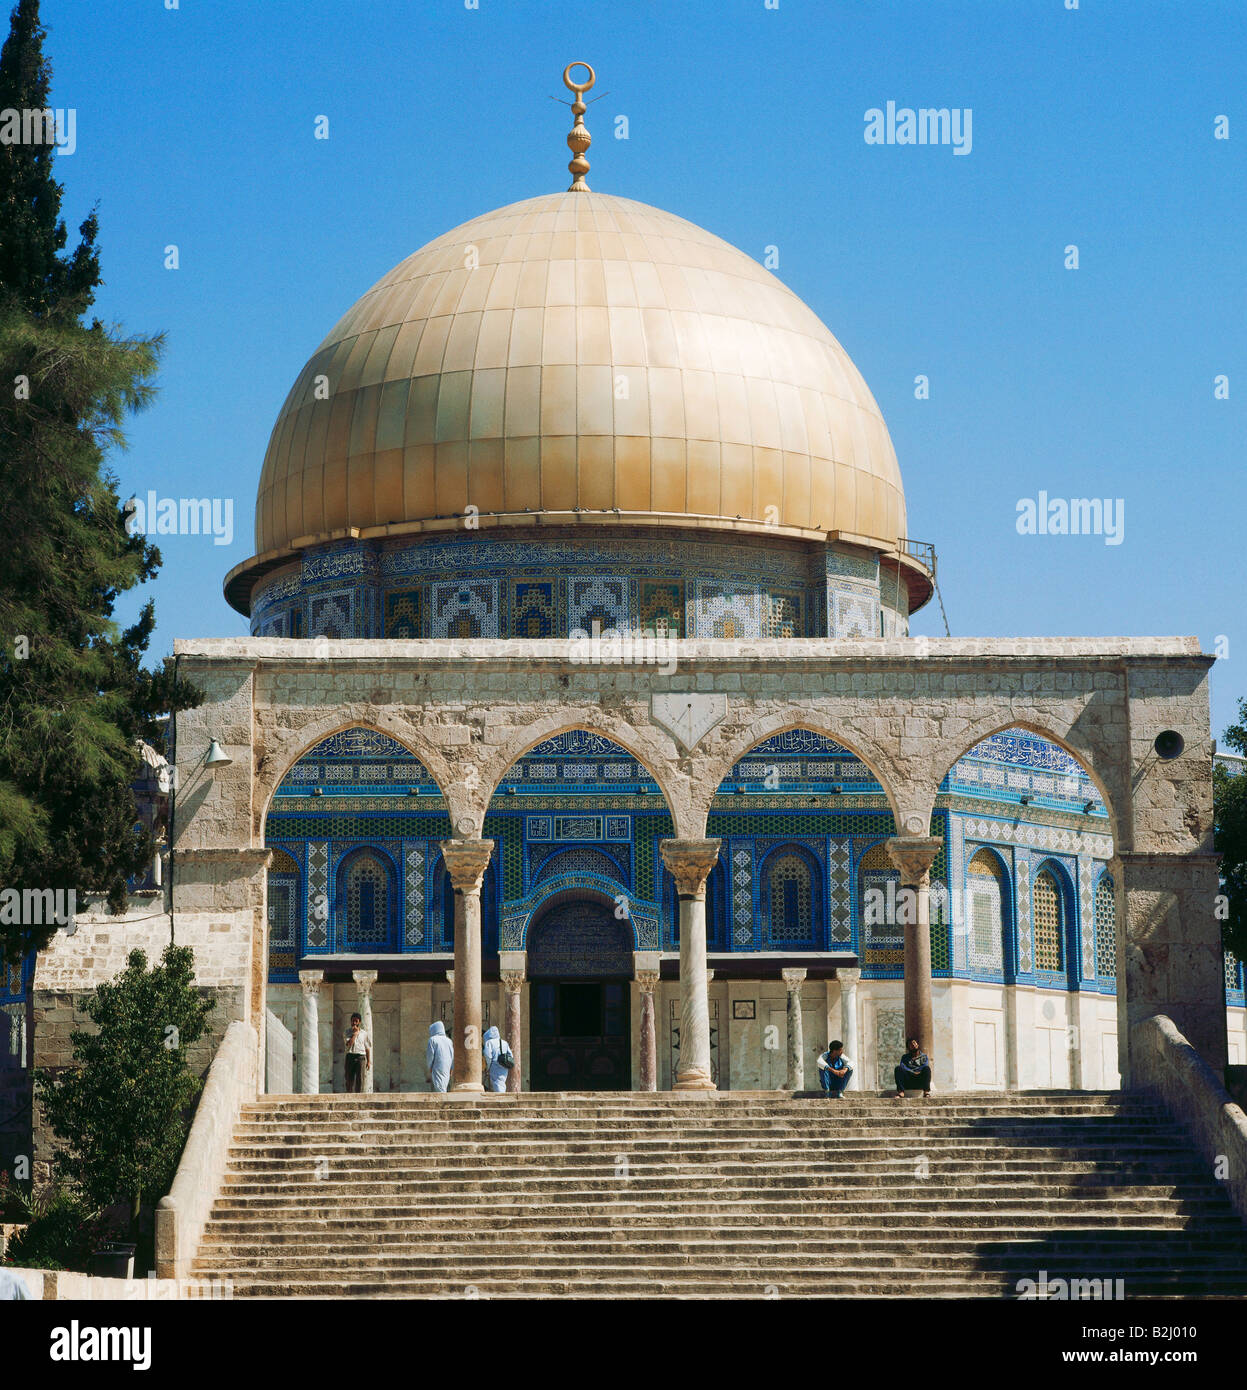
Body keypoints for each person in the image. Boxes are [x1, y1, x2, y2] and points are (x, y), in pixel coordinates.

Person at [481, 1024, 514, 1093]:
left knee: (496, 1082)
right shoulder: (504, 1042)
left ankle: (501, 1099)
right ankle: (503, 1096)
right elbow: (510, 1055)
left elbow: (488, 1056)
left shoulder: (489, 1042)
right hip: (504, 1065)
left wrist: (488, 1067)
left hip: (495, 1065)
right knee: (501, 1081)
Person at [343, 1012, 371, 1093]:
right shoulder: (347, 1032)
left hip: (361, 1057)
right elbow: (348, 1044)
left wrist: (368, 1061)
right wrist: (354, 1034)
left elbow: (367, 1048)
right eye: (353, 1021)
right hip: (350, 1056)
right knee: (349, 1078)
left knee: (360, 1078)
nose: (354, 1023)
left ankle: (359, 1096)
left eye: (356, 1021)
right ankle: (349, 1095)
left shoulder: (364, 1033)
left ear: (359, 1022)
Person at [426, 1019, 454, 1092]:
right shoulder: (449, 1040)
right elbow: (452, 1055)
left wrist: (430, 1066)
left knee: (439, 1087)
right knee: (443, 1085)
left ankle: (444, 1103)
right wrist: (452, 1067)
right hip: (447, 1066)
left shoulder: (432, 1040)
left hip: (437, 1065)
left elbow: (430, 1055)